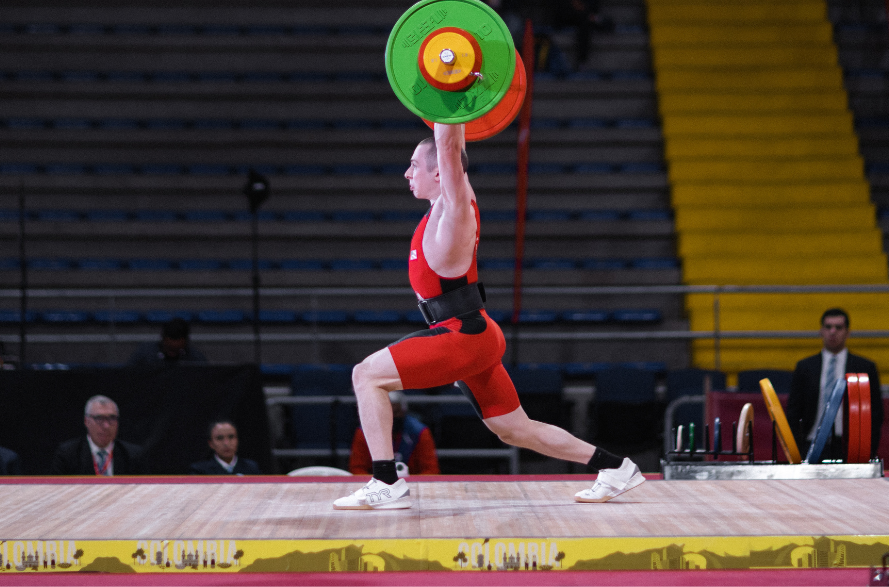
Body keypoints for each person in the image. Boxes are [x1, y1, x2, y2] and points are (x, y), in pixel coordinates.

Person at [333, 123, 644, 511]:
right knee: (514, 429)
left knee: (366, 375)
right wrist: (458, 106)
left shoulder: (454, 211)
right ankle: (615, 468)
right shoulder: (443, 209)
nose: (407, 173)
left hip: (461, 335)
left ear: (439, 172)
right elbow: (454, 145)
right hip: (474, 335)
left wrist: (447, 99)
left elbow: (450, 146)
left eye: (414, 164)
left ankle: (385, 482)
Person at [787, 308, 884, 460]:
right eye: (828, 327)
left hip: (850, 445)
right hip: (810, 443)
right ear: (821, 331)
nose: (833, 332)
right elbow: (793, 411)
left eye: (838, 327)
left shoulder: (864, 368)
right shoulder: (805, 367)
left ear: (847, 332)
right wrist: (796, 448)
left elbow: (875, 413)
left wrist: (868, 449)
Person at [348, 391, 440, 476]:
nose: (390, 417)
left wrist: (411, 483)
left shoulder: (420, 432)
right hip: (376, 484)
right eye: (386, 412)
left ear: (404, 412)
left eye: (395, 413)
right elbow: (357, 469)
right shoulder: (364, 433)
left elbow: (431, 470)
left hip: (410, 482)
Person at [51, 395, 149, 475]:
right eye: (99, 418)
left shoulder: (133, 455)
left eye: (112, 418)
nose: (106, 426)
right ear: (86, 421)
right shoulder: (68, 454)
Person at [128, 317, 208, 367]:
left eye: (177, 349)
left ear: (186, 342)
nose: (172, 353)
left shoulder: (197, 360)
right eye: (169, 348)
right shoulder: (144, 354)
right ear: (163, 340)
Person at [190, 419, 260, 475]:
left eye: (231, 437)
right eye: (220, 438)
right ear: (211, 443)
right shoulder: (200, 471)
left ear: (237, 440)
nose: (226, 443)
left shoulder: (251, 468)